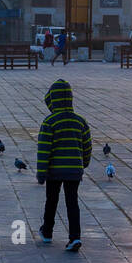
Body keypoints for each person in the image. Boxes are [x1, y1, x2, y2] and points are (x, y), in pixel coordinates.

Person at [36, 78, 92, 252]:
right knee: (72, 202)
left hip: (54, 171)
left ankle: (47, 232)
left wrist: (41, 173)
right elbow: (87, 146)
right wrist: (84, 163)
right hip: (74, 171)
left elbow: (44, 150)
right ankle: (75, 237)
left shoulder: (50, 122)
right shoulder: (80, 121)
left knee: (51, 200)